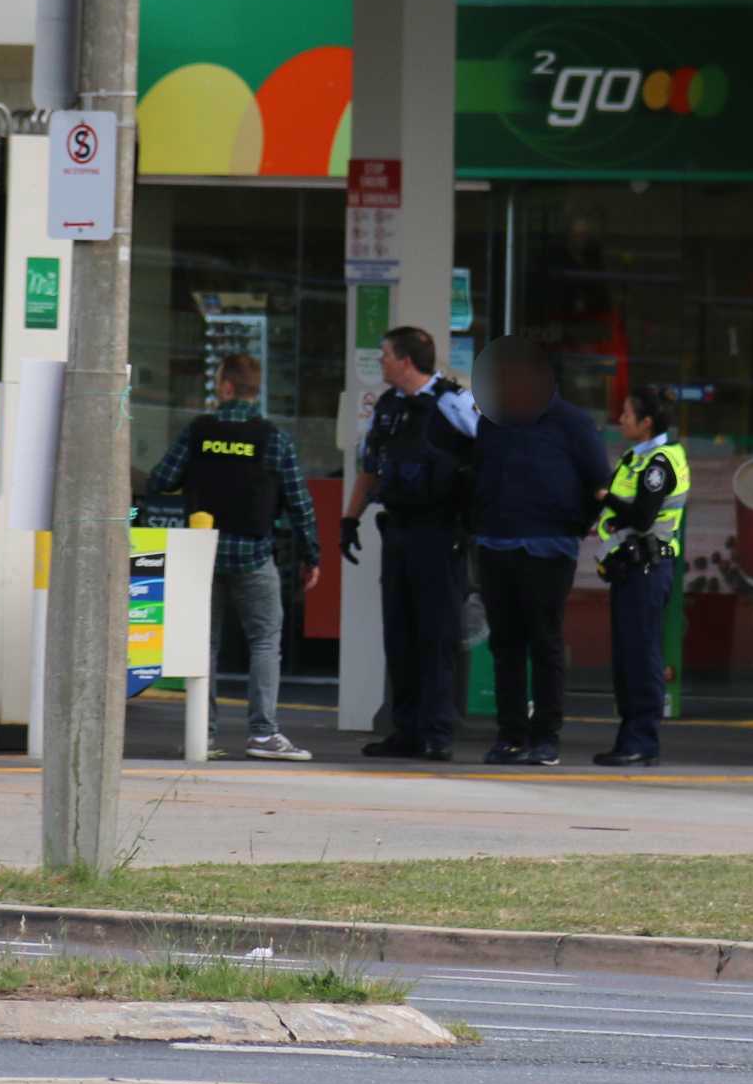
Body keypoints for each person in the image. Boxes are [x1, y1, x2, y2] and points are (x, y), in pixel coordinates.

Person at [147, 352, 322, 762]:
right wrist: (311, 555)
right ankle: (263, 733)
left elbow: (161, 479)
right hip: (253, 554)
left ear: (226, 388)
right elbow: (299, 502)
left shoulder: (198, 432)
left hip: (201, 554)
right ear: (254, 390)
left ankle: (201, 733)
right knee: (264, 641)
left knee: (204, 643)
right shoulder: (272, 438)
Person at [467, 337, 609, 767]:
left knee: (544, 642)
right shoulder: (493, 421)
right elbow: (479, 474)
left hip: (549, 548)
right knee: (505, 645)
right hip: (495, 543)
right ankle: (510, 735)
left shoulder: (572, 423)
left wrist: (574, 526)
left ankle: (546, 736)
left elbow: (599, 483)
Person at [340, 326, 480, 760]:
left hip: (440, 533)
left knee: (437, 635)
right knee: (400, 634)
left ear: (405, 359)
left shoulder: (454, 402)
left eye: (385, 355)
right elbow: (370, 467)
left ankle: (437, 732)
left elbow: (490, 455)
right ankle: (406, 729)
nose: (380, 361)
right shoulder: (387, 408)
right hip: (398, 531)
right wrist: (350, 518)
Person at [593, 383, 690, 769]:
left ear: (646, 423)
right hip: (631, 568)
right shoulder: (638, 456)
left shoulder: (660, 462)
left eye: (627, 414)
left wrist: (606, 500)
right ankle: (629, 738)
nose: (620, 419)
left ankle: (642, 740)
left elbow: (643, 517)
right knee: (627, 656)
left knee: (641, 654)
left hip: (648, 568)